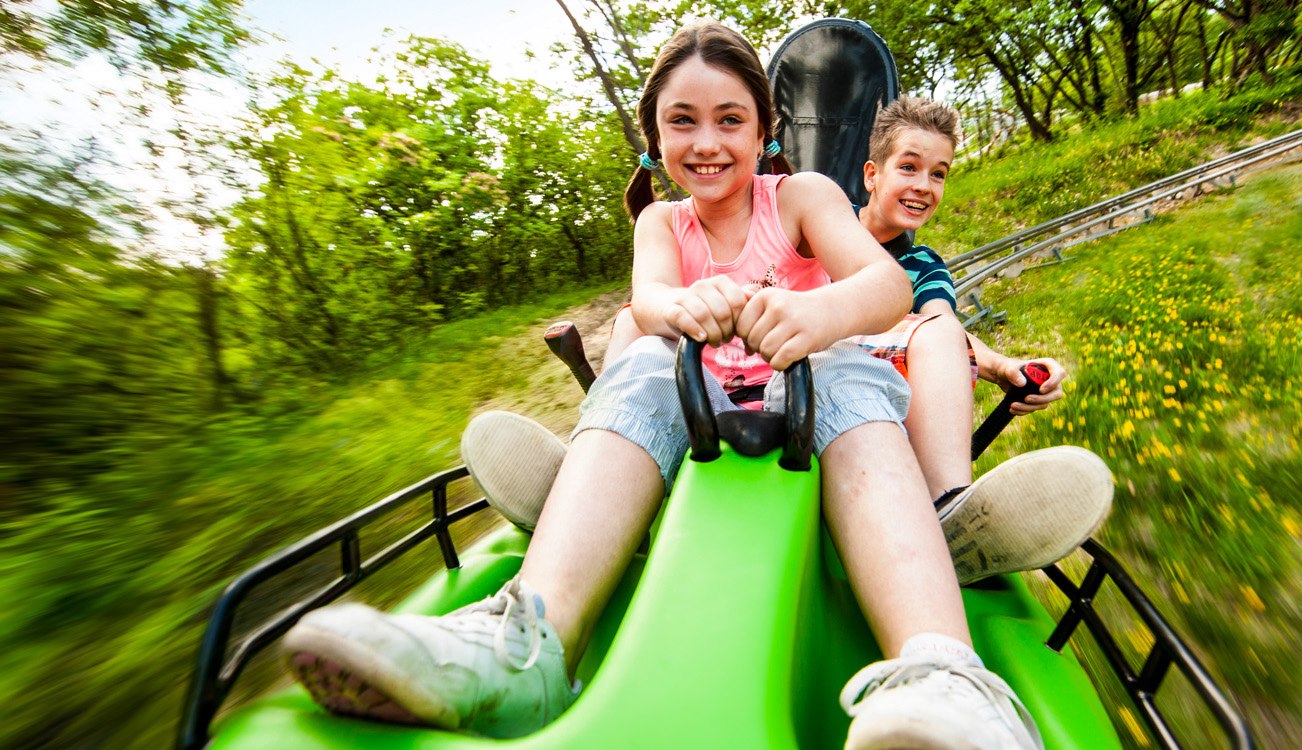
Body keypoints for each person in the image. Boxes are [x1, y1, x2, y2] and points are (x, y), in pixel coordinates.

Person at [283, 21, 1043, 749]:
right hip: (695, 410)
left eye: (729, 120)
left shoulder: (803, 197)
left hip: (806, 406)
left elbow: (886, 286)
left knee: (845, 366)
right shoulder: (662, 226)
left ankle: (942, 668)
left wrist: (819, 314)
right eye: (683, 121)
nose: (707, 142)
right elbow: (649, 300)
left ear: (763, 129)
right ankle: (529, 647)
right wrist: (682, 306)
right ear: (655, 136)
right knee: (645, 355)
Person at [588, 96, 1113, 583]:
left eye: (938, 175)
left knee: (929, 334)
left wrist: (999, 365)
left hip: (848, 377)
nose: (923, 186)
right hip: (767, 368)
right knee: (632, 318)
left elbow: (939, 326)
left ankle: (946, 505)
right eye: (908, 168)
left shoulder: (920, 266)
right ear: (871, 176)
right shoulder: (821, 227)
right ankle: (593, 472)